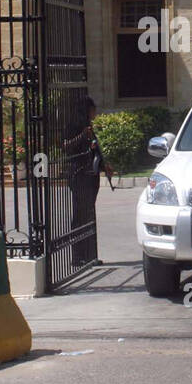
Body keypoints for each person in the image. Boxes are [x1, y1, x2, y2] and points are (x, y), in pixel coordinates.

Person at [66, 95, 112, 262]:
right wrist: (82, 136)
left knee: (89, 214)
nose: (95, 112)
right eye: (93, 109)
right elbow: (66, 146)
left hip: (90, 176)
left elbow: (93, 151)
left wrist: (103, 166)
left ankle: (90, 255)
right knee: (80, 214)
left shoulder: (88, 126)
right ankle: (78, 256)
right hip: (78, 174)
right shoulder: (74, 126)